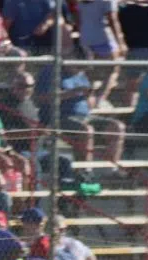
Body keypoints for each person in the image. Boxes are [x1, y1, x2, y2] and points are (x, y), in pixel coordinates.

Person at [35, 31, 126, 164]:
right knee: (86, 130)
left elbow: (91, 105)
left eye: (84, 67)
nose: (81, 69)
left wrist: (91, 95)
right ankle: (85, 171)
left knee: (117, 126)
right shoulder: (51, 71)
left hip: (84, 116)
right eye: (79, 66)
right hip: (59, 118)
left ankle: (112, 167)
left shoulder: (81, 75)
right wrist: (71, 93)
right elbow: (41, 99)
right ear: (71, 58)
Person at [76, 0, 125, 108]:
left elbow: (79, 20)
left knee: (92, 71)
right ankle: (100, 99)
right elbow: (113, 20)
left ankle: (89, 98)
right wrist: (121, 42)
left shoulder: (81, 2)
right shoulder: (108, 1)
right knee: (113, 70)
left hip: (86, 37)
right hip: (103, 38)